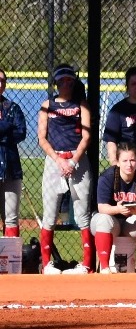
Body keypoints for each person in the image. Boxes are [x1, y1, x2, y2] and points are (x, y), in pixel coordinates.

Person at [37, 64, 94, 274]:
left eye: (70, 80)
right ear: (56, 83)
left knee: (82, 213)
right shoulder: (47, 104)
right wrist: (58, 160)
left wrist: (73, 160)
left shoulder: (82, 104)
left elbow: (87, 136)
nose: (66, 84)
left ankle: (87, 264)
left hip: (77, 160)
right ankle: (47, 264)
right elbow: (42, 138)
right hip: (54, 160)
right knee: (50, 213)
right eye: (62, 80)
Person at [90, 146, 136, 273]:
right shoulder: (108, 177)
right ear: (118, 162)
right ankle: (105, 268)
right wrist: (118, 209)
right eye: (125, 161)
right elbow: (101, 208)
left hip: (130, 223)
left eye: (132, 160)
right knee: (104, 220)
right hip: (110, 222)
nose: (129, 165)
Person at [0, 70, 25, 238]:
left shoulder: (12, 108)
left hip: (10, 168)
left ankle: (9, 262)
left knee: (11, 218)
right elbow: (11, 130)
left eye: (2, 80)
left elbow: (20, 132)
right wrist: (6, 126)